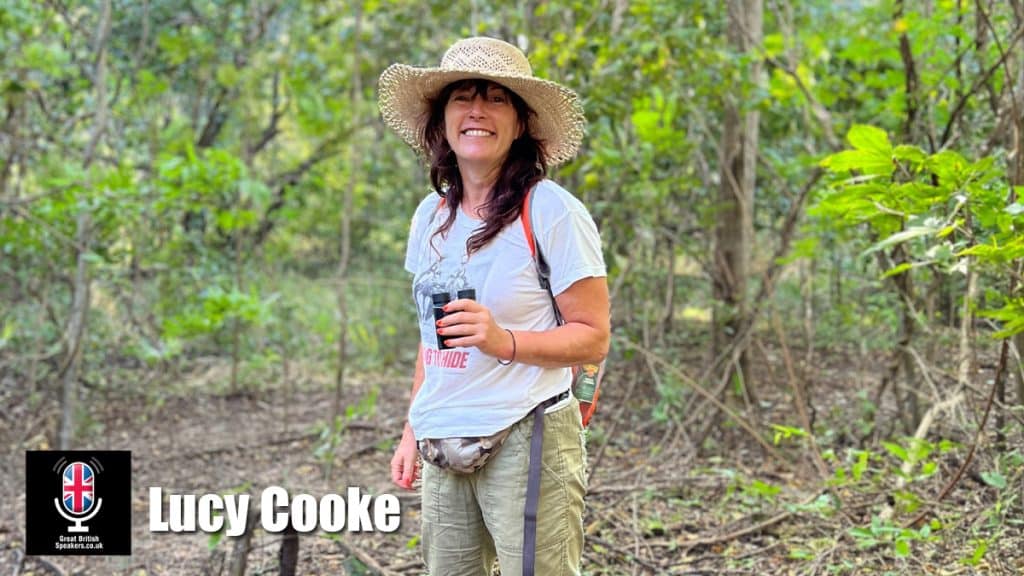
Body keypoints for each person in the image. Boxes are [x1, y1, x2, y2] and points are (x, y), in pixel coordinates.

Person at [378, 36, 610, 576]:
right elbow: (431, 339)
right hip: (443, 436)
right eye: (462, 97)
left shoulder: (551, 210)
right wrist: (413, 428)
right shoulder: (430, 216)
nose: (477, 111)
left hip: (528, 430)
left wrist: (502, 340)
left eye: (496, 98)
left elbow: (593, 336)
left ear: (521, 122)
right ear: (441, 121)